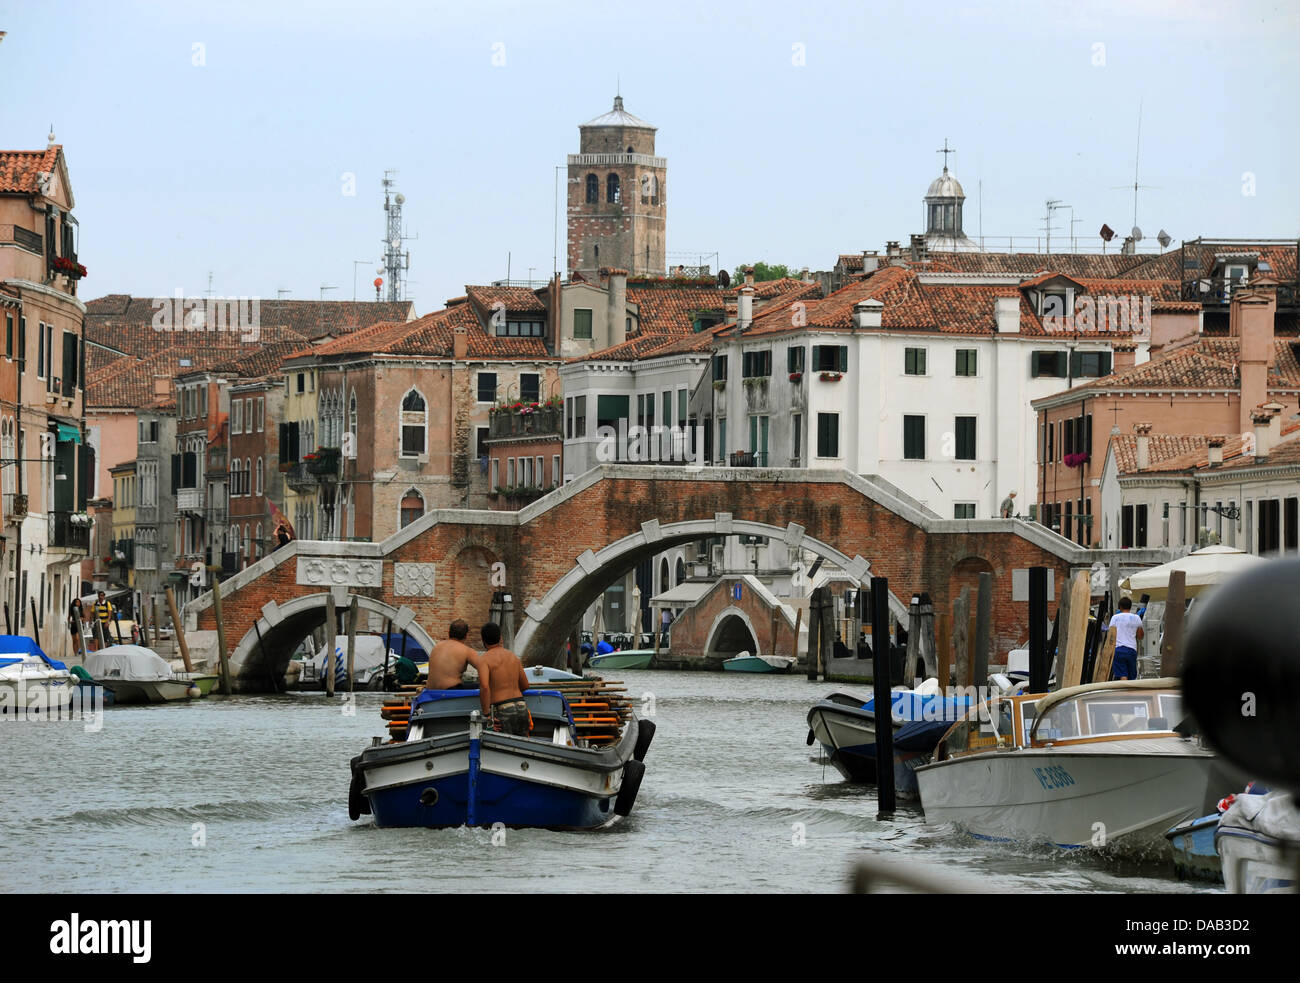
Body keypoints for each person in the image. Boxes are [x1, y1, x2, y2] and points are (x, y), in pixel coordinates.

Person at [476, 622, 532, 736]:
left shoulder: (484, 660)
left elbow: (485, 687)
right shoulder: (513, 657)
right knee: (523, 748)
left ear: (483, 640)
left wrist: (487, 715)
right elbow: (525, 685)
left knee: (504, 747)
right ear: (500, 637)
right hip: (521, 706)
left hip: (502, 708)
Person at [424, 619, 479, 690]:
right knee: (481, 686)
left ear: (449, 633)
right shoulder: (467, 651)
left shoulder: (437, 646)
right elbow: (484, 668)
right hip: (450, 690)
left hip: (431, 691)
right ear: (466, 635)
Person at [1110, 596, 1144, 680]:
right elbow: (1140, 636)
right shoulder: (1136, 618)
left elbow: (1111, 635)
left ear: (1120, 606)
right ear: (1130, 606)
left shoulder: (1115, 618)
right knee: (1132, 676)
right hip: (1131, 650)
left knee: (1122, 675)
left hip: (1118, 650)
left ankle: (1123, 692)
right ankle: (1131, 692)